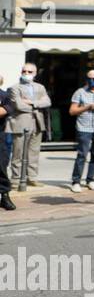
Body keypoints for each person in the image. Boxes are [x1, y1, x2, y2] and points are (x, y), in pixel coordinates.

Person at [7, 61, 52, 190]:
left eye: (29, 72)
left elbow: (47, 102)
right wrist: (38, 104)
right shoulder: (14, 88)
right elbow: (19, 106)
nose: (26, 74)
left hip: (37, 123)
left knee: (34, 152)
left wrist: (32, 103)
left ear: (35, 73)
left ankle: (32, 177)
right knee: (18, 153)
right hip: (20, 123)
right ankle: (15, 179)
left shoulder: (40, 87)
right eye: (24, 71)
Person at [68, 69, 94, 193]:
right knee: (82, 155)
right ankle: (76, 181)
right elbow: (72, 111)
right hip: (84, 128)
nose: (91, 81)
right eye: (88, 78)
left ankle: (90, 179)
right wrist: (87, 107)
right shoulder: (80, 92)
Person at [0, 80, 15, 210]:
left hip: (0, 136)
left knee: (1, 167)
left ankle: (4, 196)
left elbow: (4, 110)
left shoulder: (4, 96)